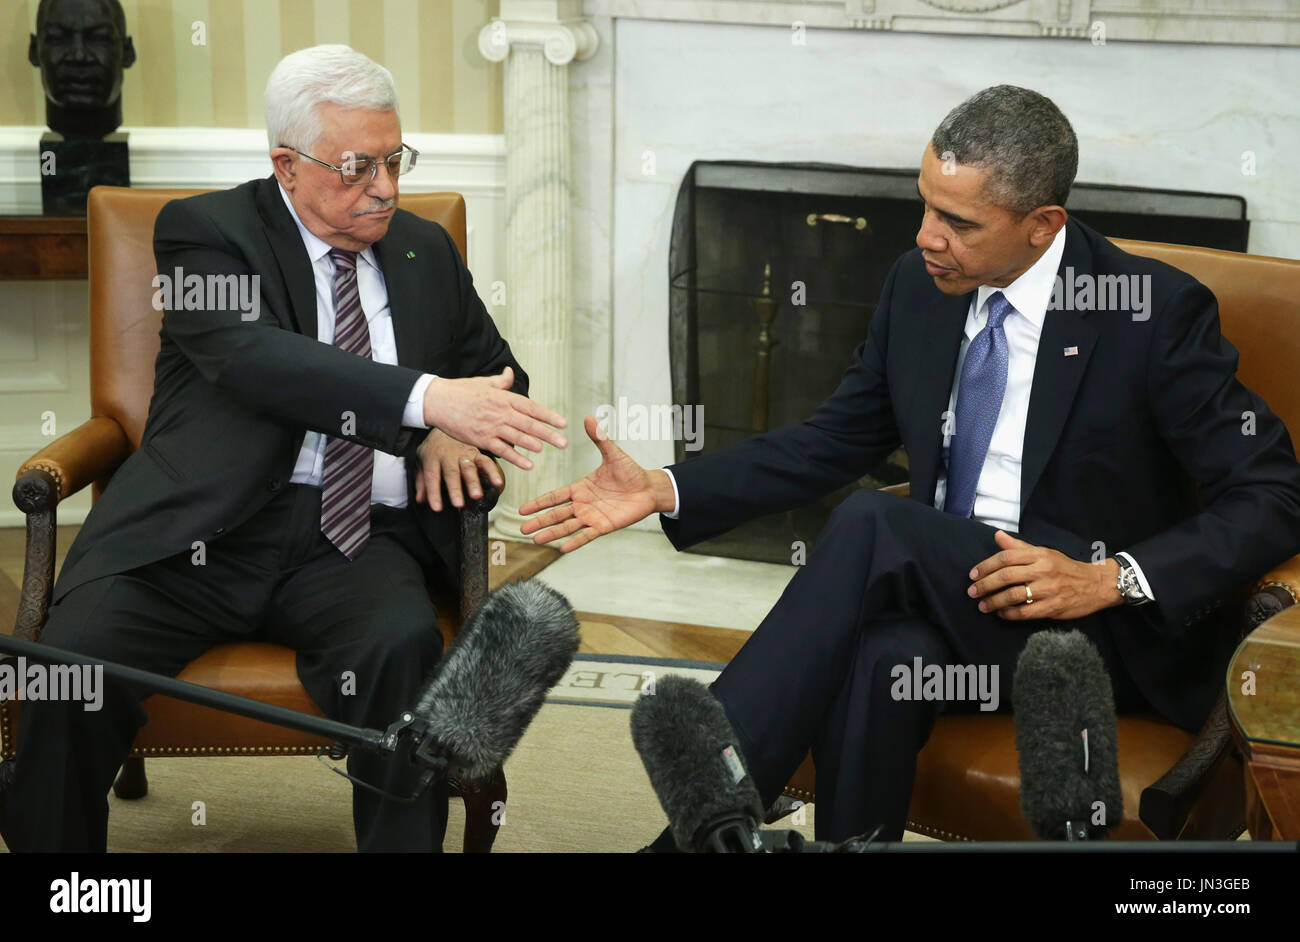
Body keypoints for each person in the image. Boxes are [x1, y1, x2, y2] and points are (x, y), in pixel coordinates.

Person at [519, 85, 1300, 847]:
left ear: (1043, 224)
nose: (928, 235)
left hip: (1092, 629)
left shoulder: (1150, 311)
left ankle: (706, 791)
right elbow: (833, 440)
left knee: (872, 521)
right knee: (889, 653)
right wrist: (667, 486)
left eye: (958, 222)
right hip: (950, 599)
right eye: (925, 205)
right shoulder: (919, 289)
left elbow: (1274, 494)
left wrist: (1110, 577)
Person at [0, 44, 566, 853]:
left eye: (395, 160)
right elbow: (255, 359)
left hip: (357, 542)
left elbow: (497, 372)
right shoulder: (205, 233)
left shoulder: (421, 250)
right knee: (69, 667)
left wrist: (447, 423)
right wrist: (424, 401)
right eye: (358, 167)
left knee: (402, 649)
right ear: (287, 164)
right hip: (199, 534)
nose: (387, 189)